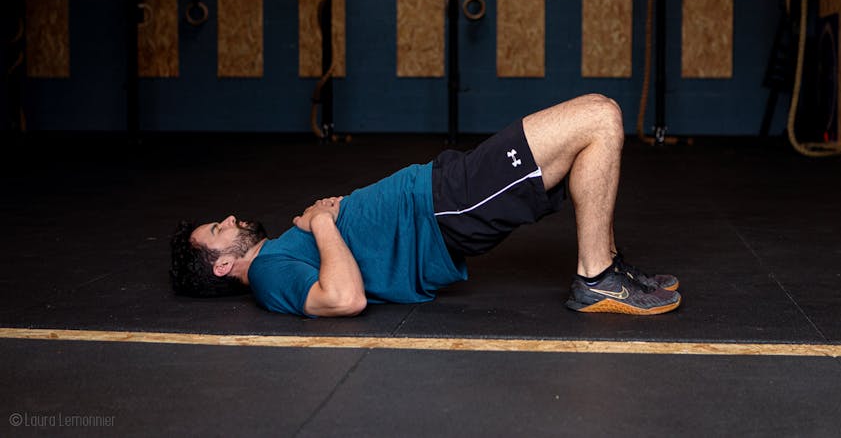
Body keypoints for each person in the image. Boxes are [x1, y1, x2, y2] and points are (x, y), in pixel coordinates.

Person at [170, 94, 681, 318]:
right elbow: (344, 298)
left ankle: (606, 266)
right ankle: (596, 279)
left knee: (593, 132)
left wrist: (326, 221)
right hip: (442, 207)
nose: (232, 219)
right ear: (222, 264)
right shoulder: (266, 276)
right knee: (599, 116)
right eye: (219, 228)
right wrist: (323, 221)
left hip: (440, 194)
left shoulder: (280, 253)